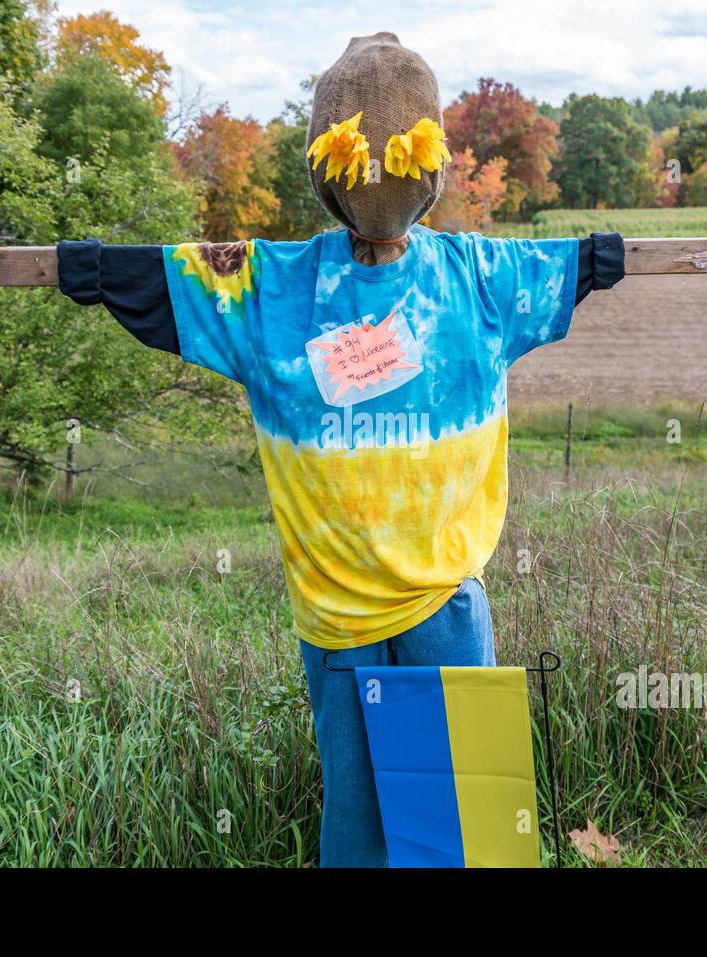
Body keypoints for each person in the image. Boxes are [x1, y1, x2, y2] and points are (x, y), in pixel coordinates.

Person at [56, 32, 624, 867]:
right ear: (429, 169)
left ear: (325, 172)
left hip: (410, 606)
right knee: (423, 819)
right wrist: (96, 268)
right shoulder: (440, 279)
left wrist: (93, 268)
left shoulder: (296, 287)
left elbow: (167, 280)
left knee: (440, 819)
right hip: (358, 615)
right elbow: (168, 278)